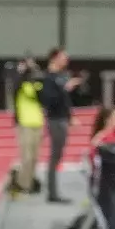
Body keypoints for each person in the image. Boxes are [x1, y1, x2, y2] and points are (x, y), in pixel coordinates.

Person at [38, 48, 81, 204]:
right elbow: (48, 100)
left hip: (61, 118)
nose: (66, 60)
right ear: (54, 58)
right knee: (55, 155)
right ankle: (52, 192)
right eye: (63, 57)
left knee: (58, 155)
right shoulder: (49, 78)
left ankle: (53, 191)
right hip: (55, 119)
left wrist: (70, 116)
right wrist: (65, 88)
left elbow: (65, 101)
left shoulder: (60, 77)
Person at [10, 58, 44, 195]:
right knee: (27, 157)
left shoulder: (36, 85)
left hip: (37, 123)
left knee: (34, 157)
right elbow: (15, 84)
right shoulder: (19, 85)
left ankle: (29, 182)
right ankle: (23, 184)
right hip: (24, 124)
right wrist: (21, 71)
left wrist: (34, 68)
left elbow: (43, 90)